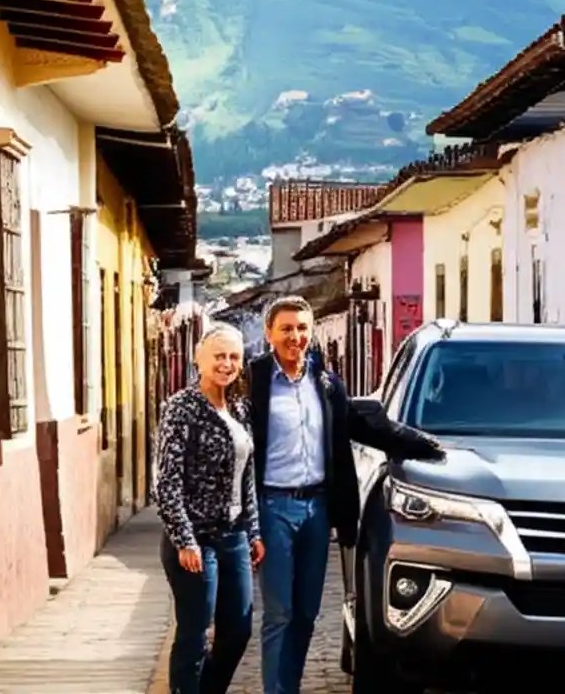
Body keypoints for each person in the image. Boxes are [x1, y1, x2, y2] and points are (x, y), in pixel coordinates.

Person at [248, 296, 442, 694]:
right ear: (269, 334)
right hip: (272, 507)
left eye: (302, 328)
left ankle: (291, 684)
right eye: (286, 328)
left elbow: (369, 427)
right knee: (279, 613)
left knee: (306, 613)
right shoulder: (253, 383)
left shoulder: (327, 384)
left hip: (318, 509)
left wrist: (427, 445)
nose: (295, 337)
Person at [154, 322, 266, 694]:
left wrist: (253, 531)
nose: (227, 364)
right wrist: (184, 539)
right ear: (199, 360)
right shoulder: (181, 408)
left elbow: (246, 475)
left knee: (238, 629)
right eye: (219, 356)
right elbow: (167, 481)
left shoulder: (238, 408)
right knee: (195, 631)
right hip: (195, 540)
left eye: (234, 356)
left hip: (233, 536)